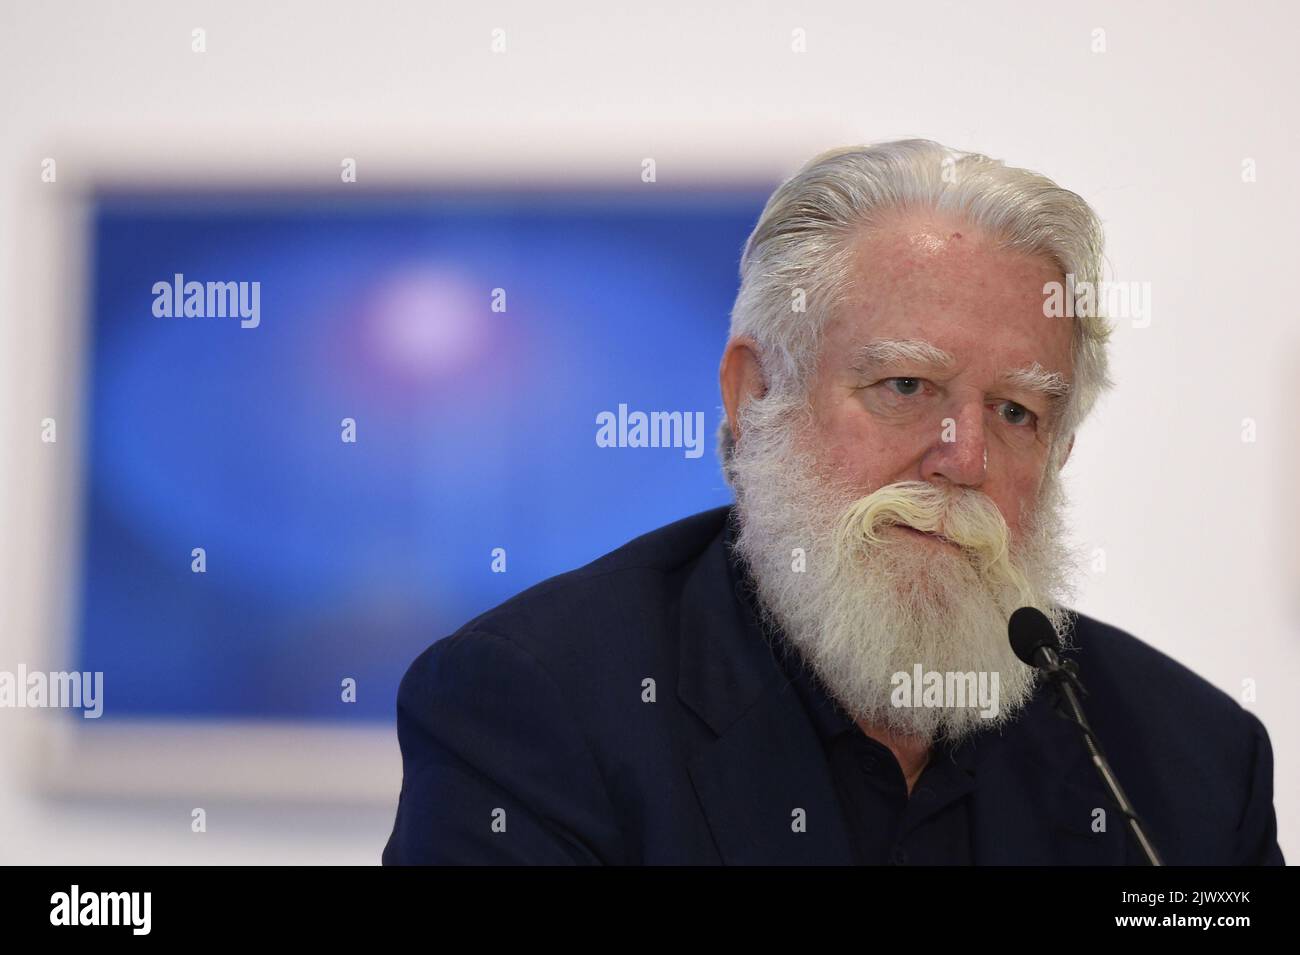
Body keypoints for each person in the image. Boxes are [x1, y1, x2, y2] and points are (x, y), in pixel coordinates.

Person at [382, 140, 1284, 864]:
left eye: (1016, 411)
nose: (963, 459)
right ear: (754, 394)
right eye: (905, 385)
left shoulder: (1187, 765)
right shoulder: (537, 710)